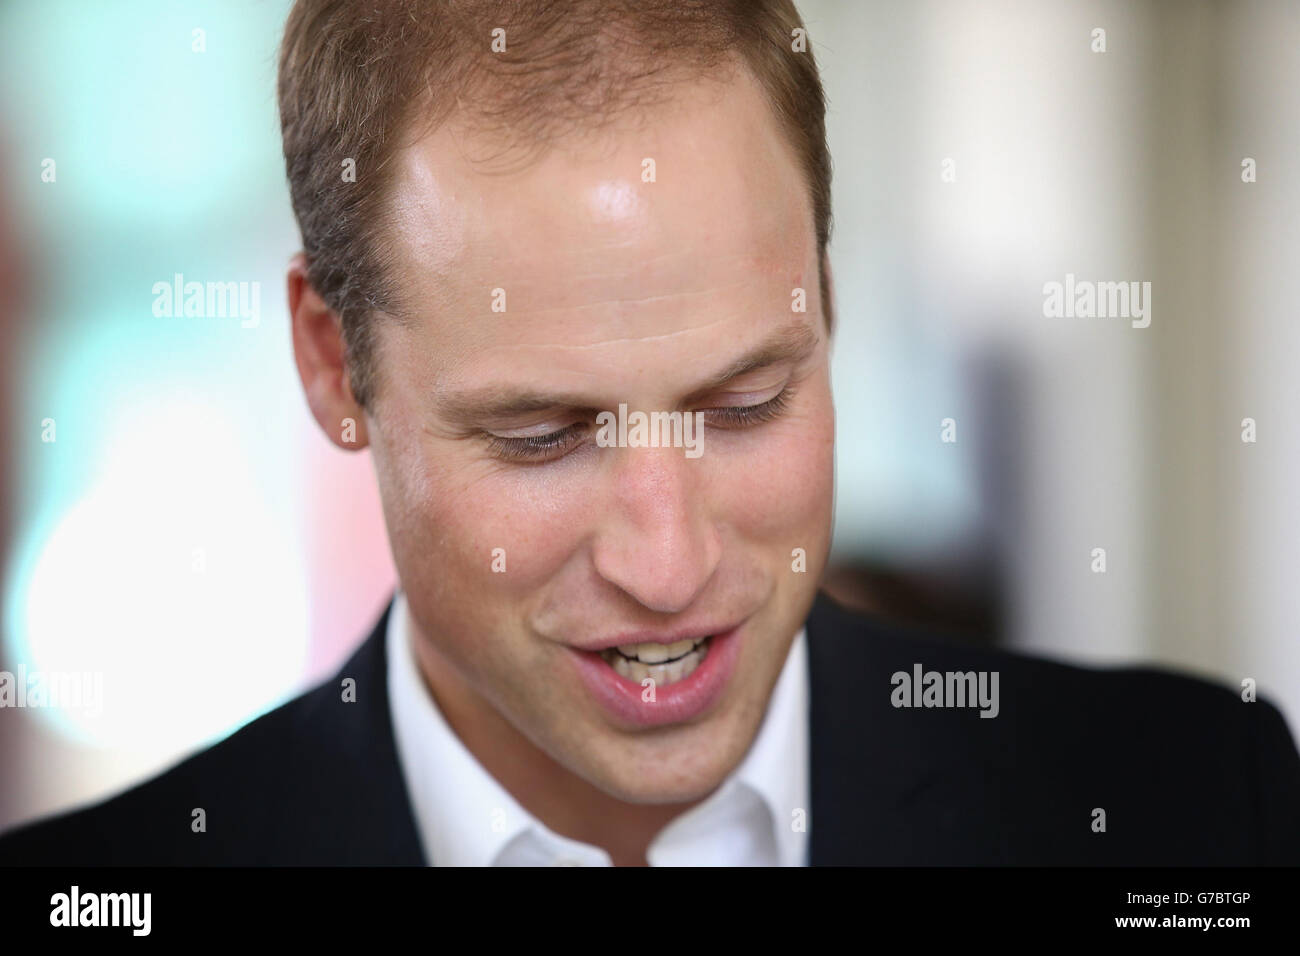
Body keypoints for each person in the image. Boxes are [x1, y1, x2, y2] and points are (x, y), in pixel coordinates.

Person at [2, 0, 1297, 866]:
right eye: (540, 436)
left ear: (825, 302)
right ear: (335, 366)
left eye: (747, 404)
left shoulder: (1193, 810)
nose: (668, 566)